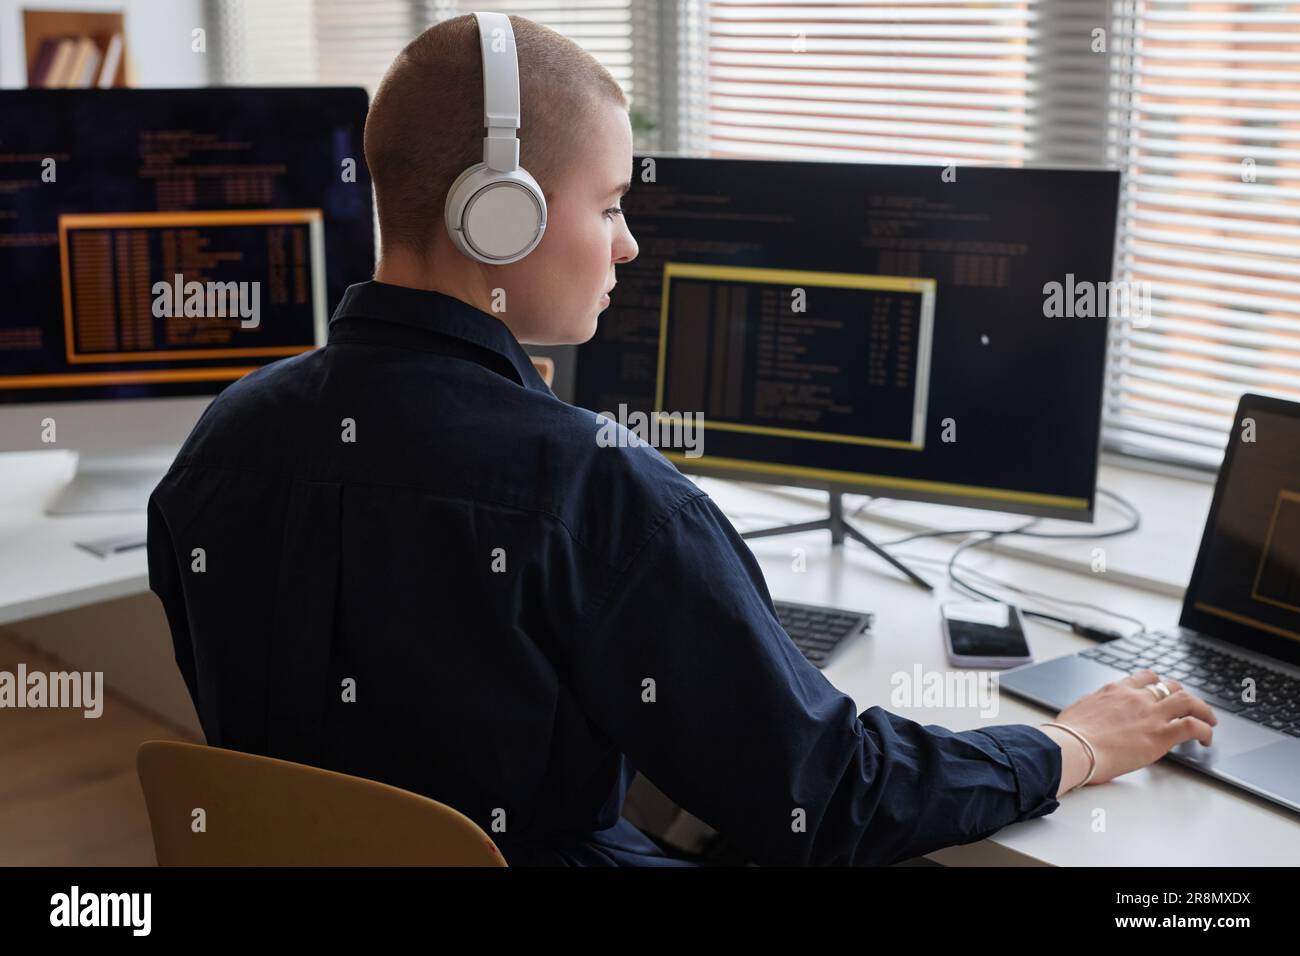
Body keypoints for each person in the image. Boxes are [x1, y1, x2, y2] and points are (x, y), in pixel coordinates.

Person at [146, 14, 1217, 867]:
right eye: (608, 202)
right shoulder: (592, 493)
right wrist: (1067, 743)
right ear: (499, 216)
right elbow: (830, 799)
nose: (627, 241)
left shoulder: (221, 442)